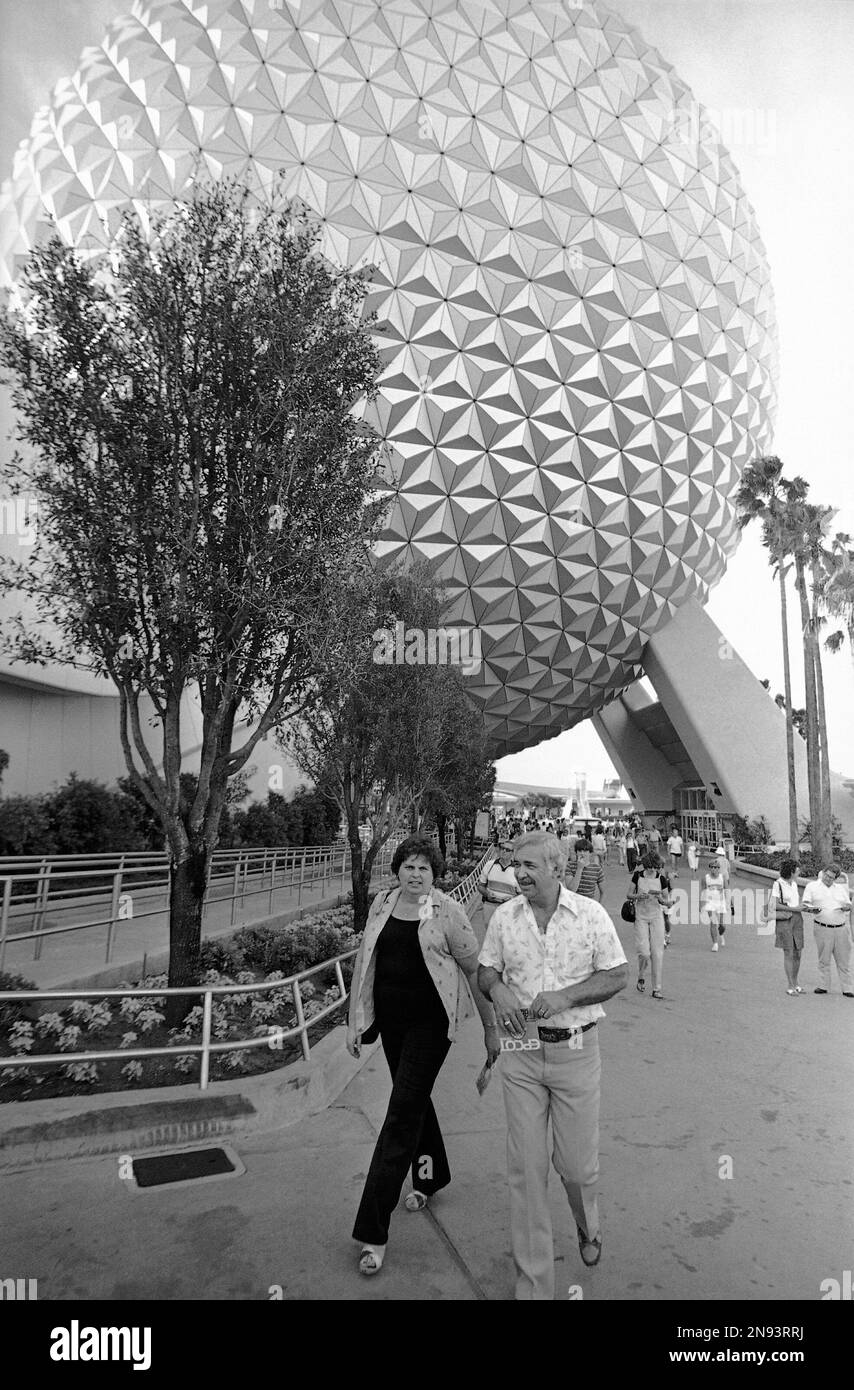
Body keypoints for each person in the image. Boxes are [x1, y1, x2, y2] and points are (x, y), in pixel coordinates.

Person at [477, 832, 628, 1300]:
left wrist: (566, 996)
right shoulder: (505, 917)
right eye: (515, 864)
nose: (518, 873)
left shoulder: (590, 916)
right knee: (525, 1167)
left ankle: (588, 1226)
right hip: (521, 1052)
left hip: (576, 1051)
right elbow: (487, 970)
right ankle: (534, 1285)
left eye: (529, 866)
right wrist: (497, 990)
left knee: (577, 1168)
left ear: (556, 869)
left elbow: (618, 974)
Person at [346, 836, 500, 1275]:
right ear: (397, 870)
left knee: (398, 1116)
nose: (416, 875)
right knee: (413, 1104)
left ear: (435, 876)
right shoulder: (382, 903)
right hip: (391, 1024)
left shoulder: (446, 911)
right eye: (409, 866)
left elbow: (475, 970)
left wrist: (490, 1029)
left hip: (431, 1027)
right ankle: (432, 1177)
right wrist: (355, 1021)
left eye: (425, 869)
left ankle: (372, 1231)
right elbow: (365, 962)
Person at [800, 864, 853, 996]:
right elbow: (805, 903)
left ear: (835, 878)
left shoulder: (840, 889)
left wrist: (846, 907)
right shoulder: (812, 887)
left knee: (844, 959)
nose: (827, 879)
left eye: (831, 877)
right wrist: (812, 908)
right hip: (822, 927)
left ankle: (848, 988)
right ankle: (823, 985)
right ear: (823, 873)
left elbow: (848, 904)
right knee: (824, 957)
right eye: (826, 875)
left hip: (840, 928)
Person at [630, 852, 672, 998]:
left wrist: (662, 899)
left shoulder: (661, 878)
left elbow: (666, 899)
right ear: (645, 865)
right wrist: (638, 896)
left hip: (656, 916)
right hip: (640, 915)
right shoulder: (638, 875)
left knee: (657, 952)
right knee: (644, 952)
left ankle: (657, 988)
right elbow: (629, 894)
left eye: (656, 867)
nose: (653, 870)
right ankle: (641, 975)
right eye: (650, 867)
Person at [769, 858, 805, 995]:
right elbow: (775, 905)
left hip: (797, 919)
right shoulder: (778, 884)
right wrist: (796, 909)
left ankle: (796, 983)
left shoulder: (794, 884)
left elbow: (797, 902)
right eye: (797, 870)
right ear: (791, 871)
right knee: (789, 952)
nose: (799, 872)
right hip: (785, 919)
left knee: (798, 952)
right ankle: (790, 985)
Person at [478, 841, 520, 926]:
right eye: (502, 848)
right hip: (490, 906)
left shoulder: (517, 871)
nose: (503, 851)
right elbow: (480, 886)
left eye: (507, 850)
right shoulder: (490, 865)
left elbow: (522, 895)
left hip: (508, 909)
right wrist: (487, 894)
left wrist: (512, 900)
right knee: (490, 934)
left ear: (513, 853)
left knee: (506, 935)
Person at [565, 836, 605, 901]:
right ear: (576, 852)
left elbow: (603, 892)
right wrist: (579, 868)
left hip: (588, 906)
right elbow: (571, 890)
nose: (582, 853)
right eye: (580, 851)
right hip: (573, 905)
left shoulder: (597, 869)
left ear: (590, 853)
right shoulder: (570, 866)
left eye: (585, 850)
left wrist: (598, 908)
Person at [701, 856, 728, 949]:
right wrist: (701, 905)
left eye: (716, 867)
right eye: (712, 867)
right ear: (710, 868)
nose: (714, 869)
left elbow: (727, 890)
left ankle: (721, 935)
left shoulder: (722, 878)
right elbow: (703, 892)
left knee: (722, 925)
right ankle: (715, 944)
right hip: (710, 903)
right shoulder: (705, 878)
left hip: (721, 903)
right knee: (713, 923)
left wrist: (731, 903)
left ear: (719, 868)